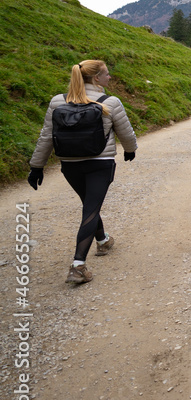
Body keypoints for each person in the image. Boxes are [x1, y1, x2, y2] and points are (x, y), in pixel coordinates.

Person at [27, 60, 138, 284]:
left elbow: (47, 136)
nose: (109, 78)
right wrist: (130, 150)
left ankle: (103, 240)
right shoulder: (111, 102)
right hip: (100, 163)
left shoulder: (58, 101)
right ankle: (78, 266)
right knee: (91, 208)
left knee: (90, 204)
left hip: (70, 164)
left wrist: (36, 166)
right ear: (96, 78)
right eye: (106, 74)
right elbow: (125, 132)